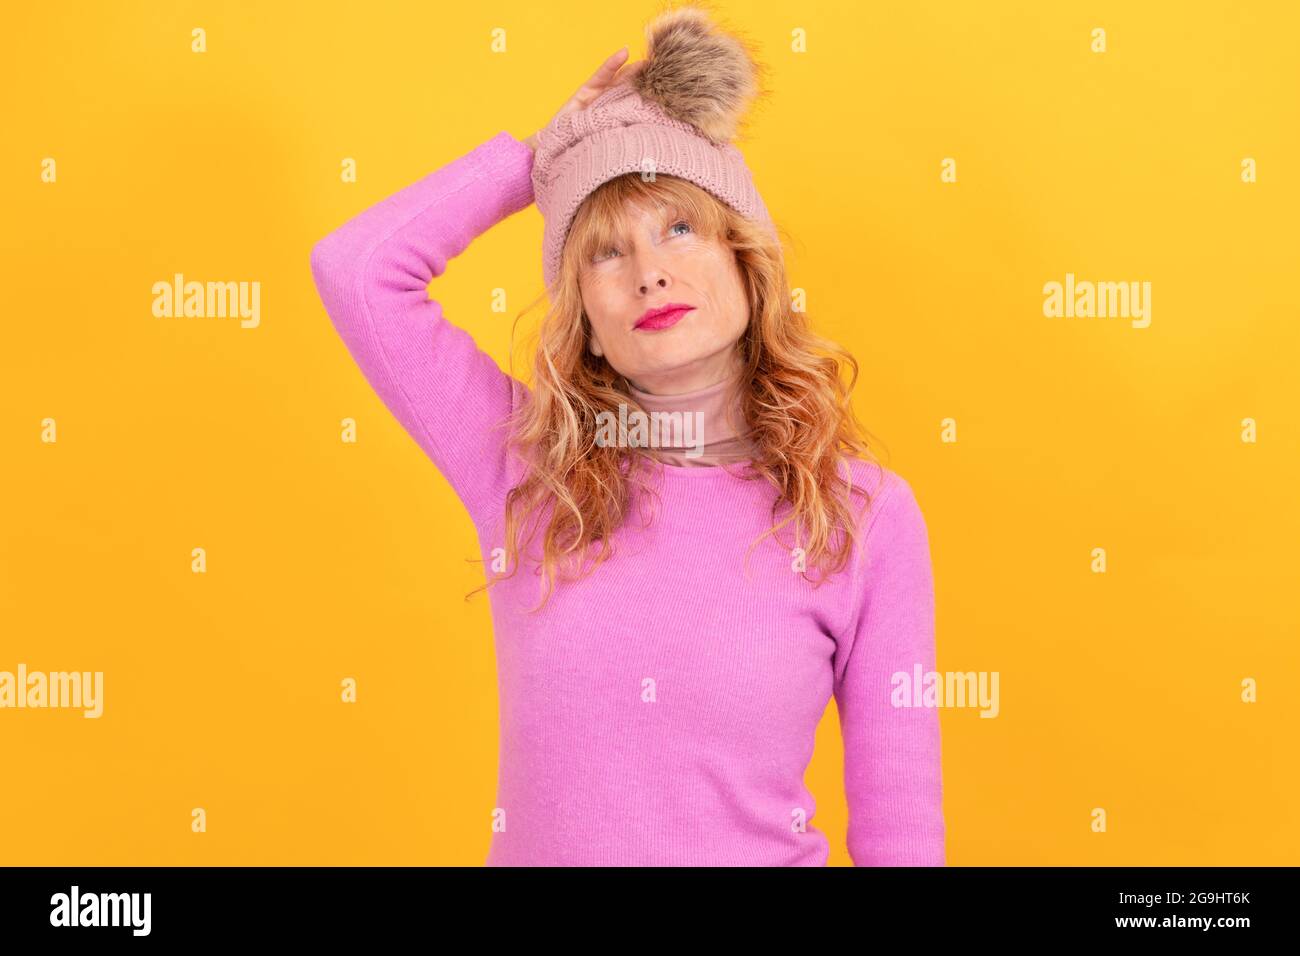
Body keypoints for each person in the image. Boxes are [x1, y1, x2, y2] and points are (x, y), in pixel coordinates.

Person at [309, 5, 945, 866]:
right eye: (606, 251)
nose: (651, 271)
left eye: (680, 227)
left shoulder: (863, 515)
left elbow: (901, 829)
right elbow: (356, 271)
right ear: (589, 322)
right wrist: (540, 160)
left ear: (745, 265)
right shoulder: (527, 469)